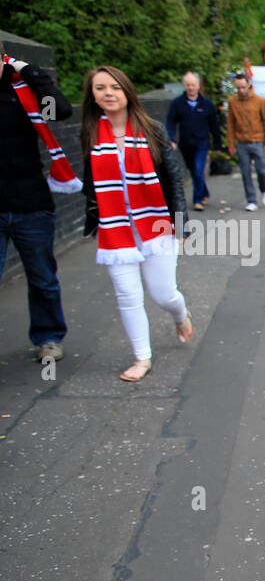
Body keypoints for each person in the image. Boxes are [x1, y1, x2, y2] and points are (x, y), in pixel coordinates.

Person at [80, 65, 194, 382]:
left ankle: (181, 315)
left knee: (163, 294)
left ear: (127, 91)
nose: (108, 93)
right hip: (115, 228)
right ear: (92, 95)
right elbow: (90, 183)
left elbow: (172, 177)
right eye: (100, 88)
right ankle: (142, 358)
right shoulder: (90, 132)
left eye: (115, 87)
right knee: (128, 296)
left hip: (156, 224)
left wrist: (181, 223)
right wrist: (92, 221)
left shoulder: (151, 128)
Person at [1, 54, 77, 363]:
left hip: (30, 202)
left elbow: (59, 110)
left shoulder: (22, 87)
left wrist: (32, 72)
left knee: (42, 277)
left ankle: (48, 338)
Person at [165, 72, 222, 212]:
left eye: (193, 85)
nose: (191, 87)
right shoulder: (177, 103)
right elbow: (171, 122)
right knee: (193, 170)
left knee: (198, 169)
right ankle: (204, 192)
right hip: (186, 143)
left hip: (202, 142)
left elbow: (214, 126)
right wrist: (171, 139)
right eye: (188, 85)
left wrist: (218, 145)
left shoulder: (207, 104)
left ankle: (197, 200)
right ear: (184, 86)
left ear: (198, 86)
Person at [226, 73, 265, 212]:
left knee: (261, 171)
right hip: (242, 142)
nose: (241, 90)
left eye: (243, 87)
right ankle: (251, 200)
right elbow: (231, 123)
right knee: (245, 173)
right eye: (238, 88)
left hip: (258, 141)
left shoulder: (260, 101)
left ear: (249, 85)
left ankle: (263, 190)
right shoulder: (232, 101)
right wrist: (231, 143)